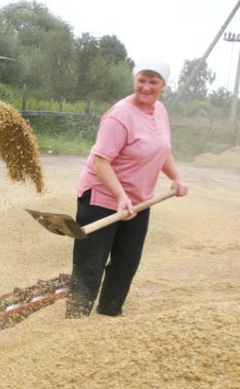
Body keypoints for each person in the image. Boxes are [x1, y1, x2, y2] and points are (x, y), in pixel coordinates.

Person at [67, 57, 188, 318]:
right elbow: (102, 162)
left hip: (138, 201)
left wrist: (176, 177)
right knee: (90, 266)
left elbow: (161, 150)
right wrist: (119, 196)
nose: (146, 87)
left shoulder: (160, 111)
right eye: (141, 80)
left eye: (153, 82)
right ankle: (74, 323)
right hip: (101, 199)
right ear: (135, 80)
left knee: (126, 263)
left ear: (163, 85)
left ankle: (109, 313)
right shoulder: (119, 115)